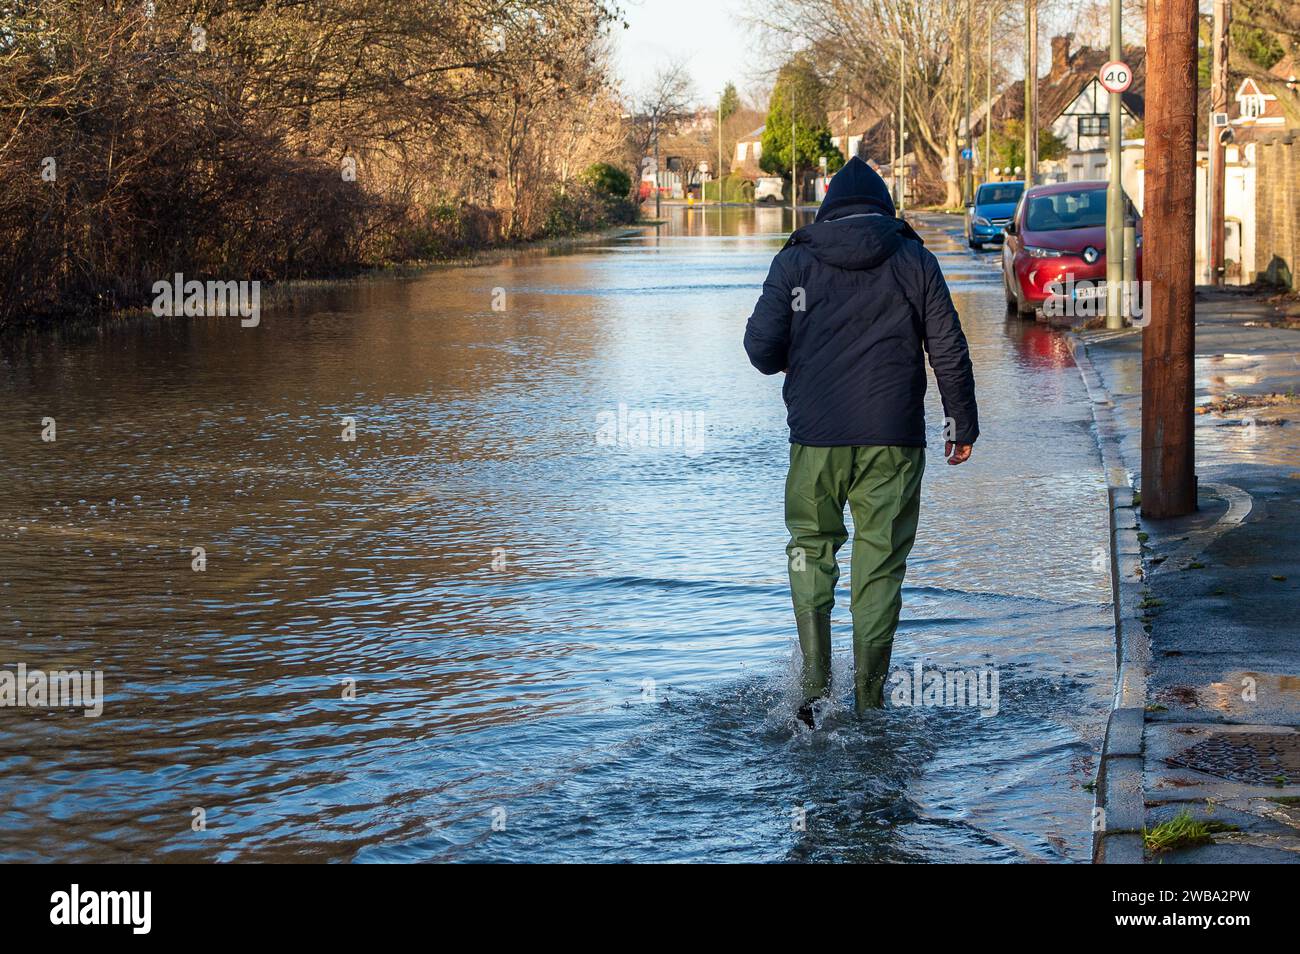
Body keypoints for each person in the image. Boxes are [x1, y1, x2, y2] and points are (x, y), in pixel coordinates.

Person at [743, 156, 979, 726]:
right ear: (883, 208)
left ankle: (815, 690)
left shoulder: (796, 260)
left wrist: (799, 356)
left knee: (810, 549)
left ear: (828, 209)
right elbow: (946, 346)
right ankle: (871, 704)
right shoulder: (913, 258)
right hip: (892, 440)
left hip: (816, 439)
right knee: (879, 565)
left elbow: (760, 349)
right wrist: (961, 424)